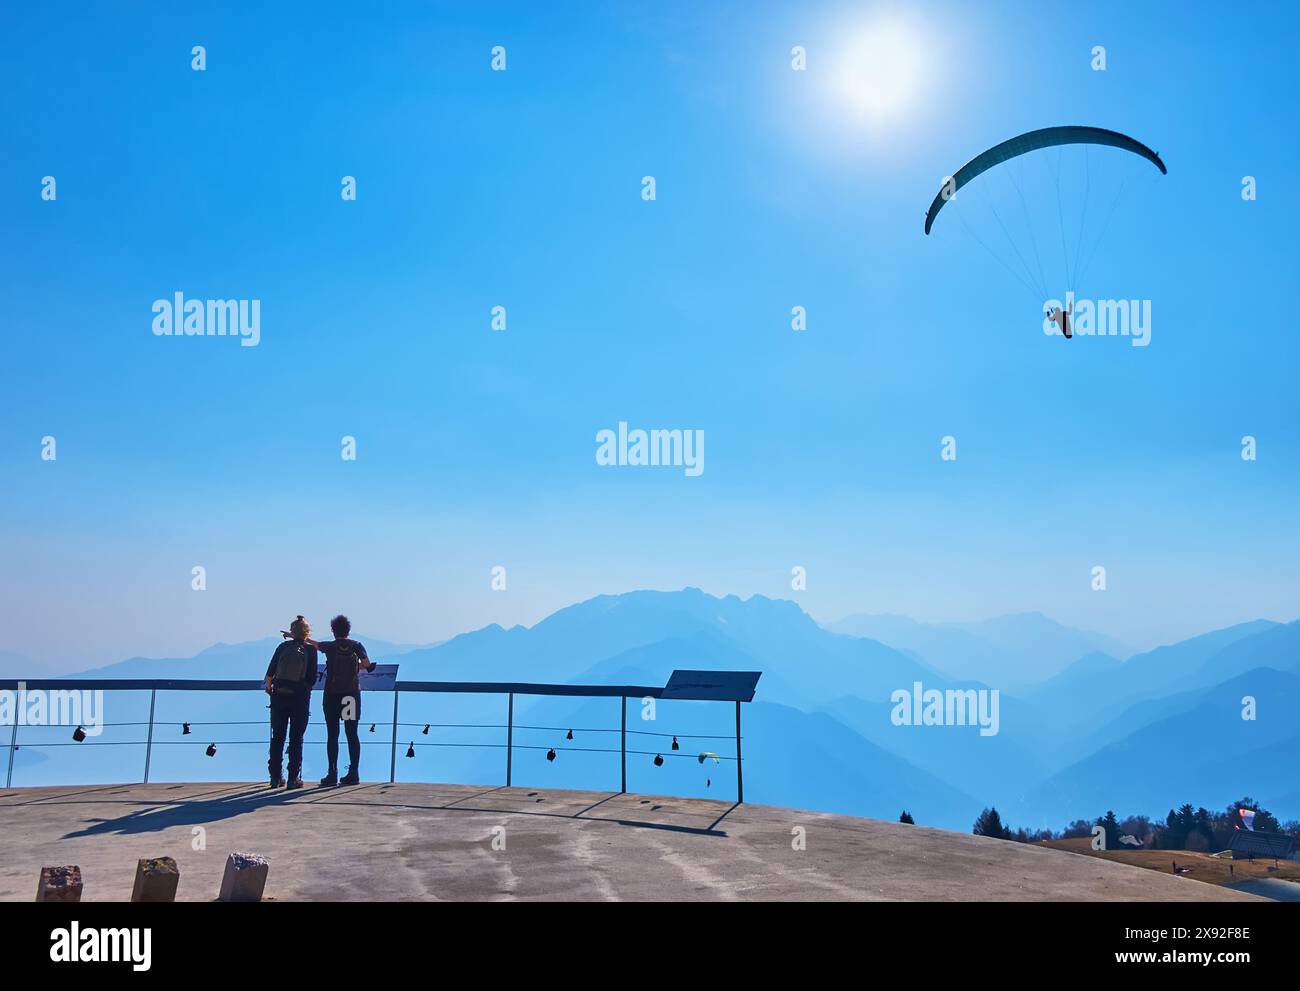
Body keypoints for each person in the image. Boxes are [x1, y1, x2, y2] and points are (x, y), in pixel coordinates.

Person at [283, 614, 375, 786]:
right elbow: (367, 663)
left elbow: (314, 644)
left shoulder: (330, 647)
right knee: (352, 734)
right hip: (351, 695)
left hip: (332, 695)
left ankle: (332, 773)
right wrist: (358, 666)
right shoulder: (356, 646)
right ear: (348, 630)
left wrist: (295, 636)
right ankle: (353, 772)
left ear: (333, 631)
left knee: (333, 734)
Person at [265, 615, 318, 789]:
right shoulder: (311, 651)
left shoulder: (282, 647)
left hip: (279, 696)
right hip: (299, 698)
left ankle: (275, 777)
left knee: (277, 737)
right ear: (307, 633)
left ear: (292, 631)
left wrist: (271, 689)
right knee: (296, 738)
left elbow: (270, 674)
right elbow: (311, 678)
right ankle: (293, 778)